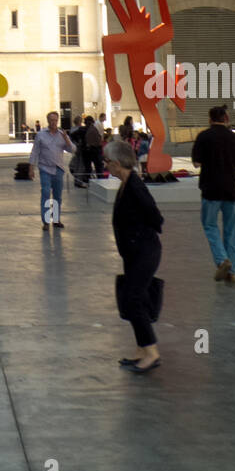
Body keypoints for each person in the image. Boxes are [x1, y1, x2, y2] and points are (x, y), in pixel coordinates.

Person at [105, 138, 163, 372]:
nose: (105, 165)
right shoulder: (126, 183)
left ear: (117, 163)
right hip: (133, 253)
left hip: (144, 252)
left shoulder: (136, 186)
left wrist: (139, 234)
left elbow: (156, 218)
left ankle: (151, 352)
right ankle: (142, 349)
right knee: (131, 300)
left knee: (133, 299)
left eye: (107, 161)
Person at [191, 105, 235, 284]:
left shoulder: (203, 137)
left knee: (210, 225)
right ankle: (231, 271)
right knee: (232, 231)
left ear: (209, 120)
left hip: (210, 190)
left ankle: (221, 259)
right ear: (226, 119)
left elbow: (196, 163)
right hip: (232, 190)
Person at [28, 111, 75, 230]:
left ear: (57, 121)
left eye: (55, 120)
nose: (53, 122)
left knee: (57, 196)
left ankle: (56, 219)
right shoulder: (41, 135)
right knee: (45, 193)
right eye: (51, 120)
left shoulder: (61, 135)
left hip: (58, 169)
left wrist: (66, 138)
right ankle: (45, 221)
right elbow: (35, 152)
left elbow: (72, 150)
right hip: (45, 168)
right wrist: (31, 168)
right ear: (48, 121)